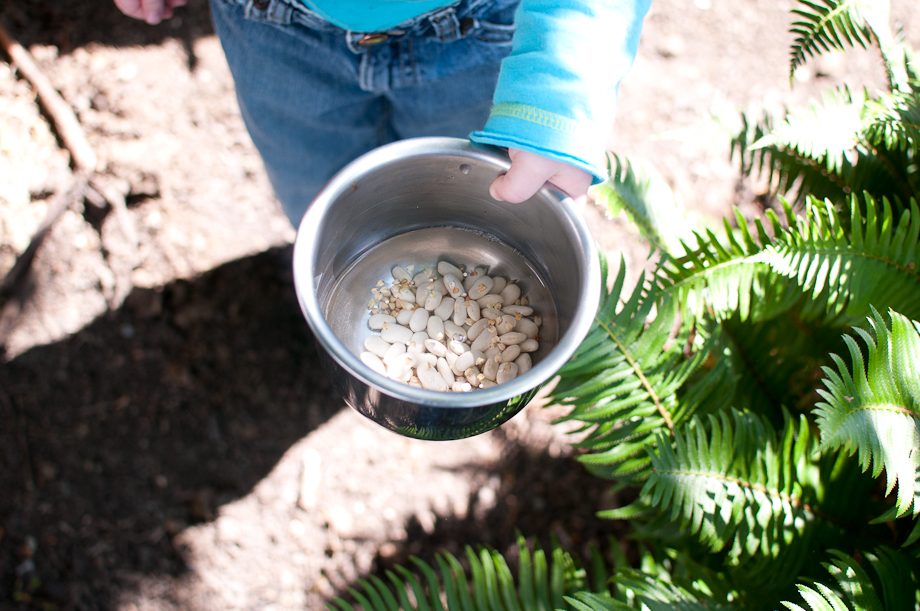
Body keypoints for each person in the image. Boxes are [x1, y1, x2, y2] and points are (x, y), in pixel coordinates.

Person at [114, 0, 651, 226]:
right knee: (313, 188)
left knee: (457, 194)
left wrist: (562, 83)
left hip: (482, 36)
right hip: (272, 30)